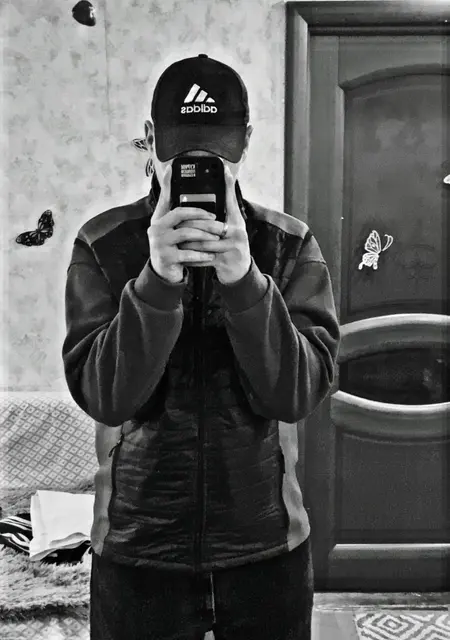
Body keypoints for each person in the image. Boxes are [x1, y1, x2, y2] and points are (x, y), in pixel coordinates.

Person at [62, 53, 340, 640]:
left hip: (265, 547)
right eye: (182, 151)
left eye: (216, 152)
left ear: (246, 142)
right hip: (139, 550)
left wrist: (245, 283)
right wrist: (155, 283)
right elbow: (106, 399)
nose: (199, 167)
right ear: (150, 138)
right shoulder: (104, 244)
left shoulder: (289, 245)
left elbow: (295, 395)